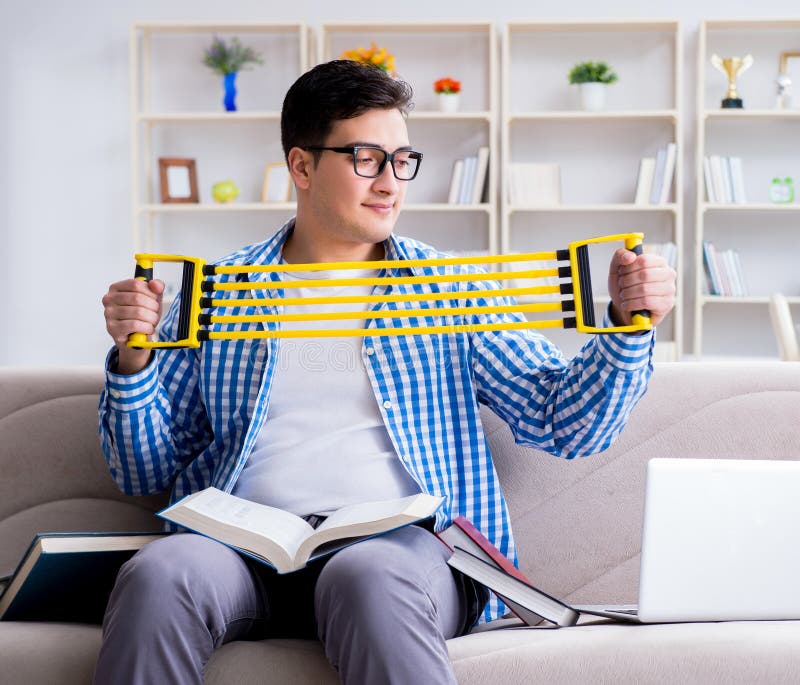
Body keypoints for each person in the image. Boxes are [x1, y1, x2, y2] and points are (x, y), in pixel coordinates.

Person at [97, 59, 676, 685]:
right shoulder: (219, 292)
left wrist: (628, 325)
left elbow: (566, 424)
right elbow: (142, 471)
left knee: (366, 575)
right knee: (159, 574)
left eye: (403, 161)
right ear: (301, 166)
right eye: (367, 159)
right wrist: (135, 358)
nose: (391, 183)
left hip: (399, 554)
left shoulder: (447, 288)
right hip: (243, 553)